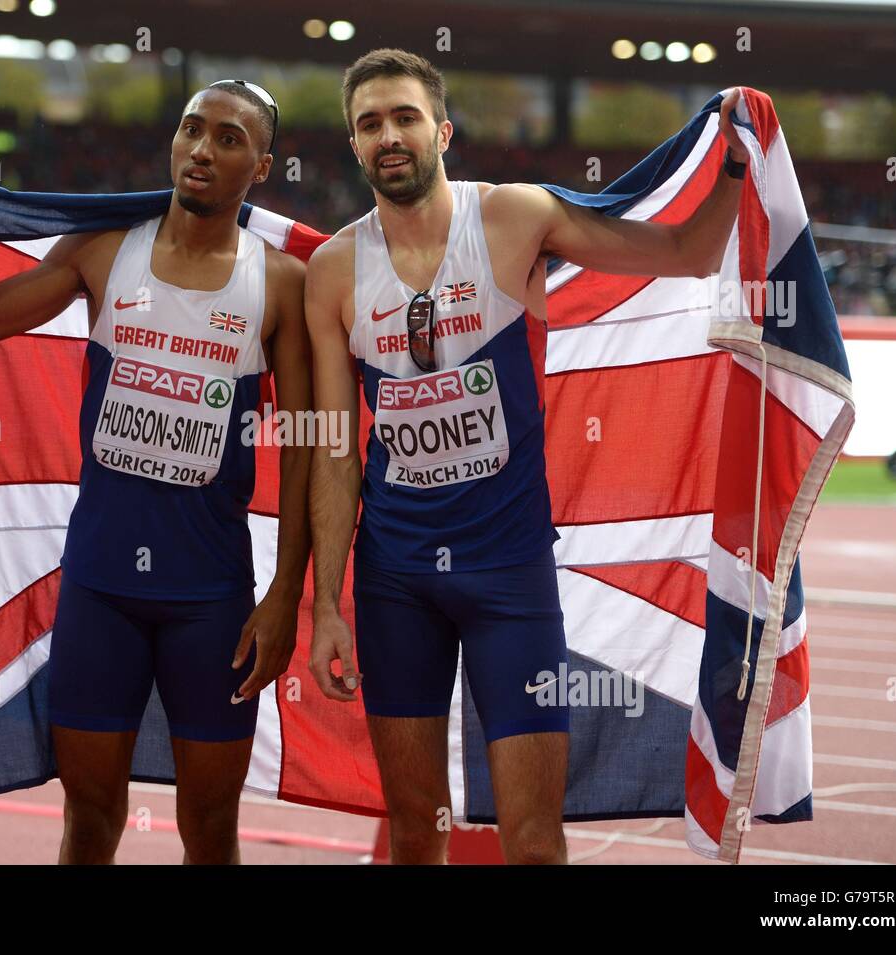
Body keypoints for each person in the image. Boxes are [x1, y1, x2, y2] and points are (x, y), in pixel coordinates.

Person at [305, 49, 747, 864]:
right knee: (413, 833)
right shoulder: (333, 269)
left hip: (510, 574)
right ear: (355, 146)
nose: (388, 135)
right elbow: (335, 451)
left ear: (442, 129)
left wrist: (730, 169)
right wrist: (327, 602)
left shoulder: (512, 217)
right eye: (369, 124)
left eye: (404, 116)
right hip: (395, 578)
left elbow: (686, 251)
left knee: (535, 841)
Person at [0, 80, 312, 864]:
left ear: (261, 166)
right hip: (100, 587)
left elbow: (303, 450)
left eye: (228, 139)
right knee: (89, 821)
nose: (202, 149)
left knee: (211, 831)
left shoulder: (280, 283)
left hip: (212, 601)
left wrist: (286, 594)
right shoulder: (104, 248)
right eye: (192, 130)